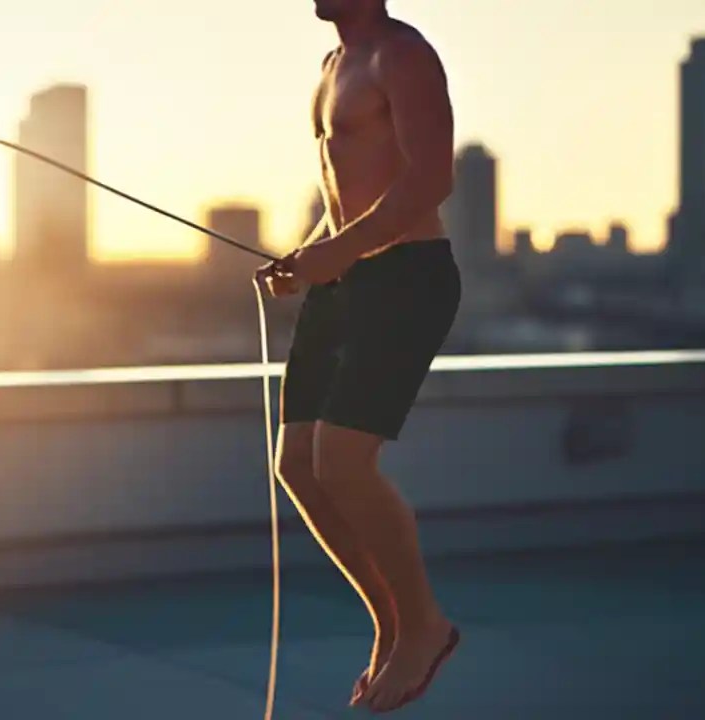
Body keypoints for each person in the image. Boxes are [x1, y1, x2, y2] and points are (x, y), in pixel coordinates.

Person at [254, 0, 461, 713]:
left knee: (341, 459)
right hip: (346, 279)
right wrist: (310, 254)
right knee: (298, 466)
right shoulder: (332, 67)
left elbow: (431, 179)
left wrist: (339, 252)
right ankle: (391, 621)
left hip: (409, 277)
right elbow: (343, 197)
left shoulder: (402, 55)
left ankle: (424, 625)